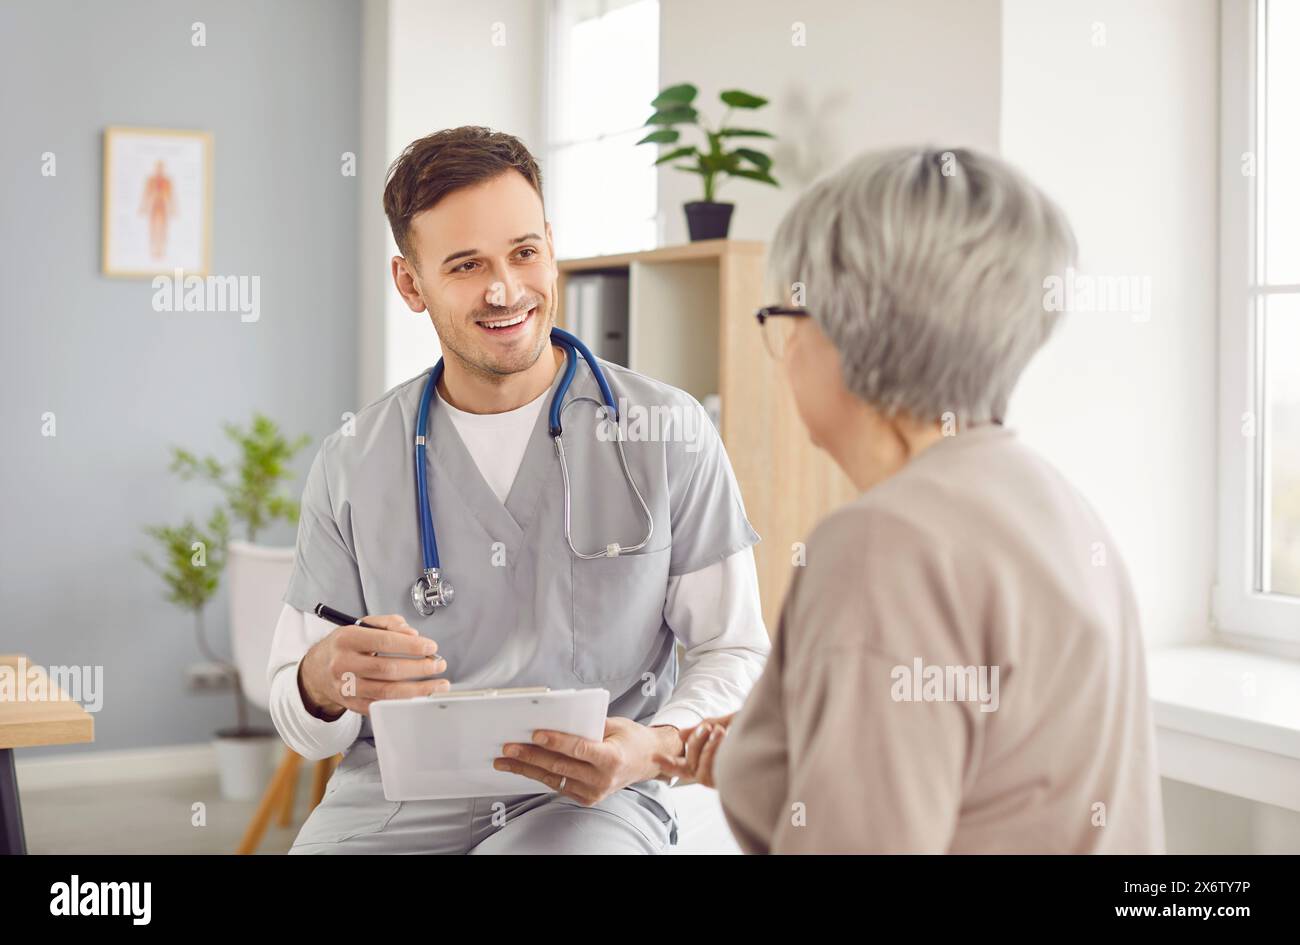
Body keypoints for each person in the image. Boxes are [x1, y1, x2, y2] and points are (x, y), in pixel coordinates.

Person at [267, 126, 770, 854]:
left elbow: (735, 650)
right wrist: (320, 679)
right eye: (467, 265)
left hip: (588, 798)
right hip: (395, 801)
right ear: (411, 283)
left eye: (524, 252)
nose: (505, 289)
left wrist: (652, 746)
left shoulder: (666, 431)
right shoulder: (354, 458)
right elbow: (300, 712)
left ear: (551, 248)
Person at [657, 147, 1165, 854]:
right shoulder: (1062, 507)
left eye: (786, 313)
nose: (785, 345)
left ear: (848, 330)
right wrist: (774, 755)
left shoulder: (883, 547)